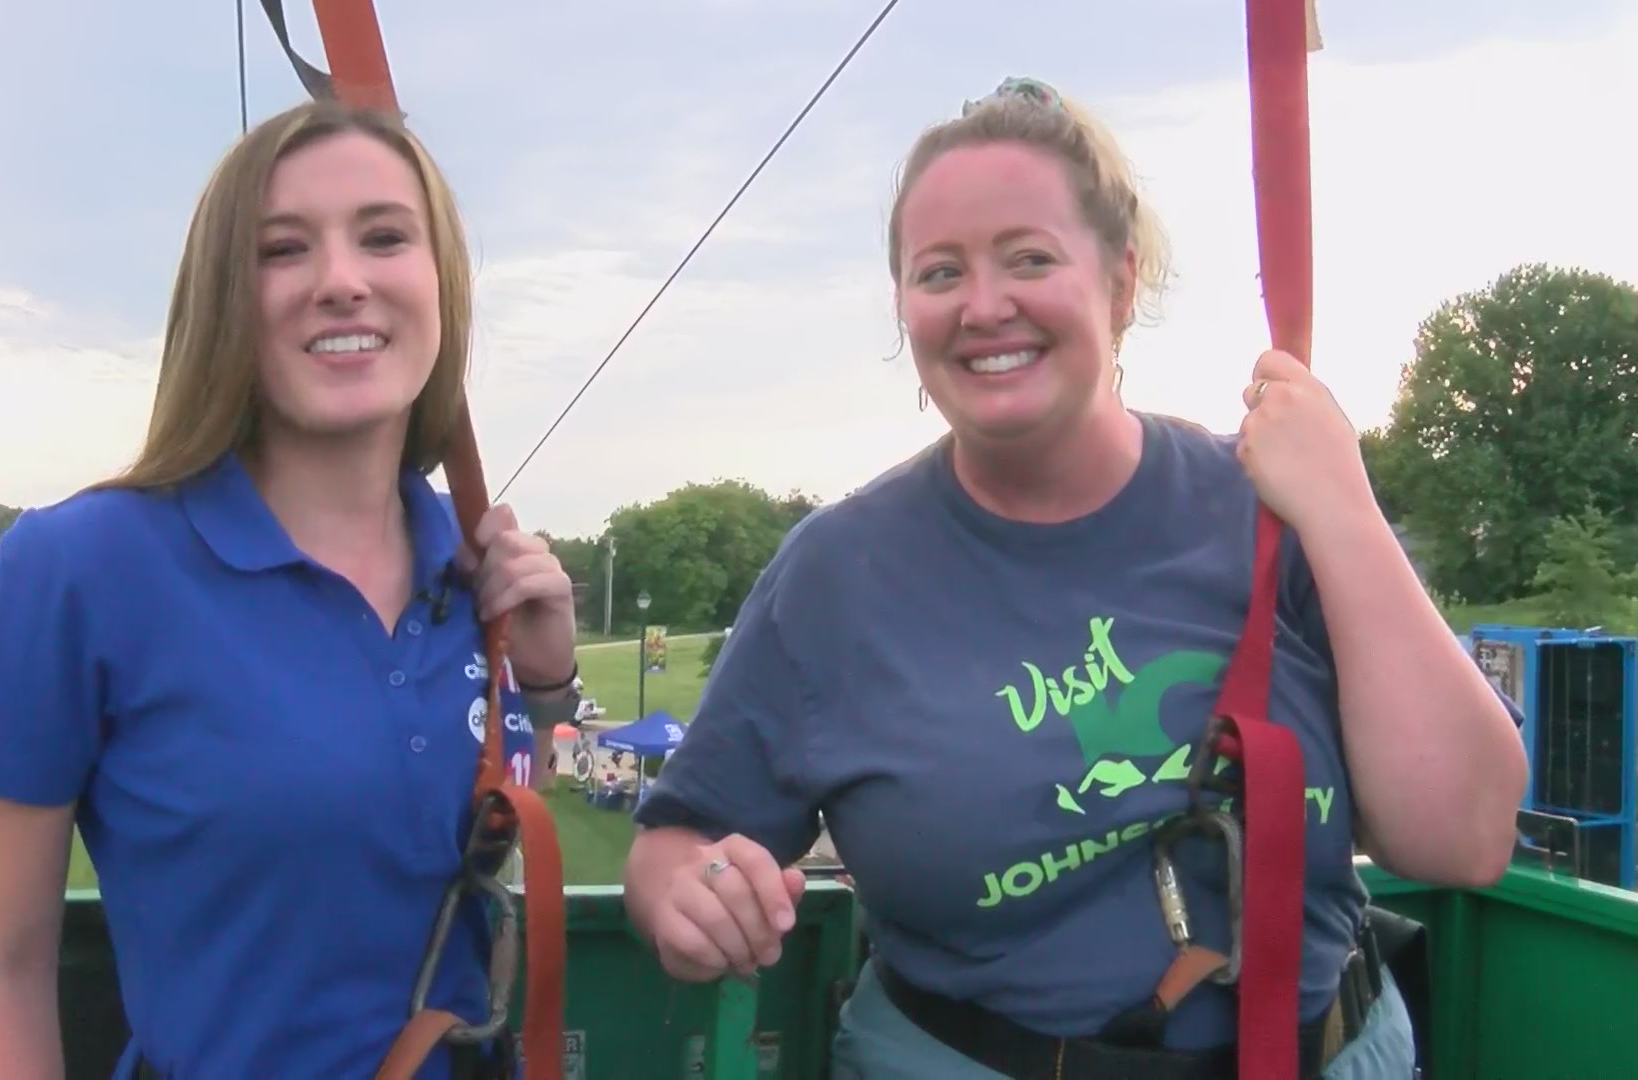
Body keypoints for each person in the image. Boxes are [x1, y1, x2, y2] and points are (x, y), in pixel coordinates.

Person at [621, 77, 1529, 1080]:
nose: (983, 305)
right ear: (903, 309)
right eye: (939, 272)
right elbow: (677, 844)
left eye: (1030, 259)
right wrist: (687, 898)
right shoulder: (838, 575)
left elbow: (1465, 839)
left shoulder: (1274, 509)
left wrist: (1347, 513)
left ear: (1122, 283)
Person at [0, 99, 579, 1080]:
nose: (342, 282)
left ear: (440, 280)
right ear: (222, 300)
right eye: (283, 250)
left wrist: (545, 685)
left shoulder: (476, 570)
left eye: (385, 237)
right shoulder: (80, 567)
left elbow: (468, 847)